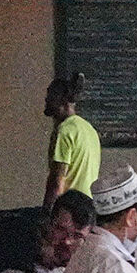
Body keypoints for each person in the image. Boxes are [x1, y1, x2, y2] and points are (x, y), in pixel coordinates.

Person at [42, 72, 101, 208]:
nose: (46, 99)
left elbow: (57, 179)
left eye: (50, 95)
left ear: (63, 99)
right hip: (88, 208)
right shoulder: (89, 130)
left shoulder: (65, 130)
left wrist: (47, 213)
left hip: (68, 210)